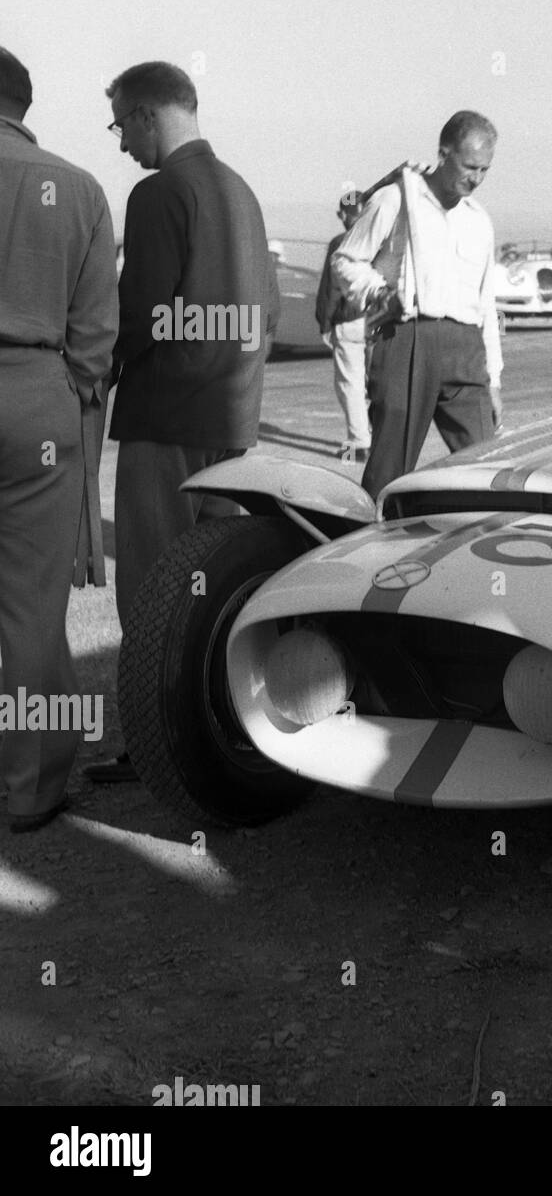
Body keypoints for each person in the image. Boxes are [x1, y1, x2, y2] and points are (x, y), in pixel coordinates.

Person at [87, 60, 279, 786]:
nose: (123, 145)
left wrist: (97, 369)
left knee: (152, 587)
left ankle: (156, 744)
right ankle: (221, 728)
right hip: (230, 418)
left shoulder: (160, 190)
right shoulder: (243, 192)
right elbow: (264, 313)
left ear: (144, 115)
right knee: (215, 587)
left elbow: (138, 311)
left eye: (121, 127)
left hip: (164, 415)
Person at [0, 46, 117, 827]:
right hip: (36, 397)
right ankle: (32, 792)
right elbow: (95, 342)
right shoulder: (78, 189)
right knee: (32, 612)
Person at [331, 111, 503, 499]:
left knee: (487, 465)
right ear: (444, 154)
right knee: (390, 470)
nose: (476, 178)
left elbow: (486, 302)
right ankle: (366, 546)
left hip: (466, 349)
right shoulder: (395, 199)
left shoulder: (479, 221)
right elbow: (345, 260)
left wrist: (494, 378)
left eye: (485, 170)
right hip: (408, 341)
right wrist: (376, 291)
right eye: (469, 166)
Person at [314, 192, 371, 462]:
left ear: (348, 214)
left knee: (350, 383)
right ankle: (378, 438)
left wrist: (324, 322)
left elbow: (331, 289)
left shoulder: (341, 242)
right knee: (377, 384)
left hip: (349, 322)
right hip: (382, 322)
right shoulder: (383, 237)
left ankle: (357, 445)